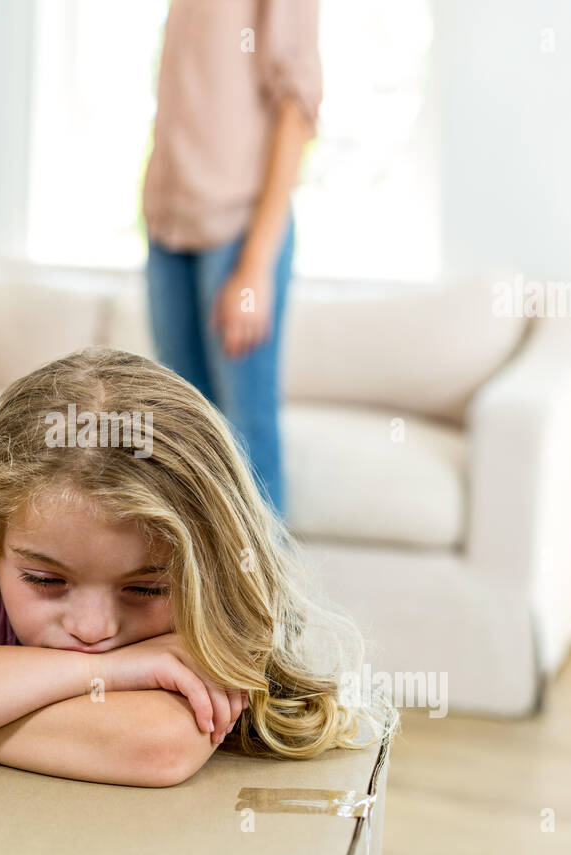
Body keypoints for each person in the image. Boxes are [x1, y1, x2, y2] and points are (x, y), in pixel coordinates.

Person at [0, 347, 400, 787]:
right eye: (45, 579)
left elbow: (154, 746)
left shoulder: (206, 615)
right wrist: (110, 673)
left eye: (144, 586)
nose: (92, 626)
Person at [142, 0, 324, 524]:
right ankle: (197, 607)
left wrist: (255, 267)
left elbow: (297, 107)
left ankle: (268, 608)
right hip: (169, 229)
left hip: (238, 236)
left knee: (247, 452)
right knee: (183, 452)